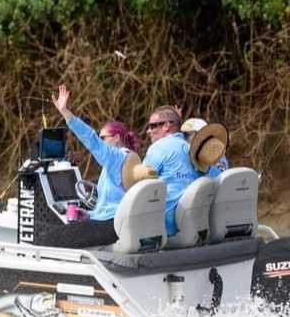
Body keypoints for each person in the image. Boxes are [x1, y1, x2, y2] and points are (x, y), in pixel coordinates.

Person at [44, 85, 152, 248]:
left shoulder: (116, 157)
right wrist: (89, 214)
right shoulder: (132, 158)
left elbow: (91, 138)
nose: (101, 141)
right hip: (117, 222)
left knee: (49, 238)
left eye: (104, 137)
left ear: (116, 138)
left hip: (109, 224)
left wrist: (66, 113)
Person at [142, 106, 200, 236]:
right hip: (194, 223)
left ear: (166, 125)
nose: (148, 131)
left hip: (166, 227)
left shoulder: (159, 147)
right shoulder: (193, 149)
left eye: (152, 126)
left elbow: (140, 182)